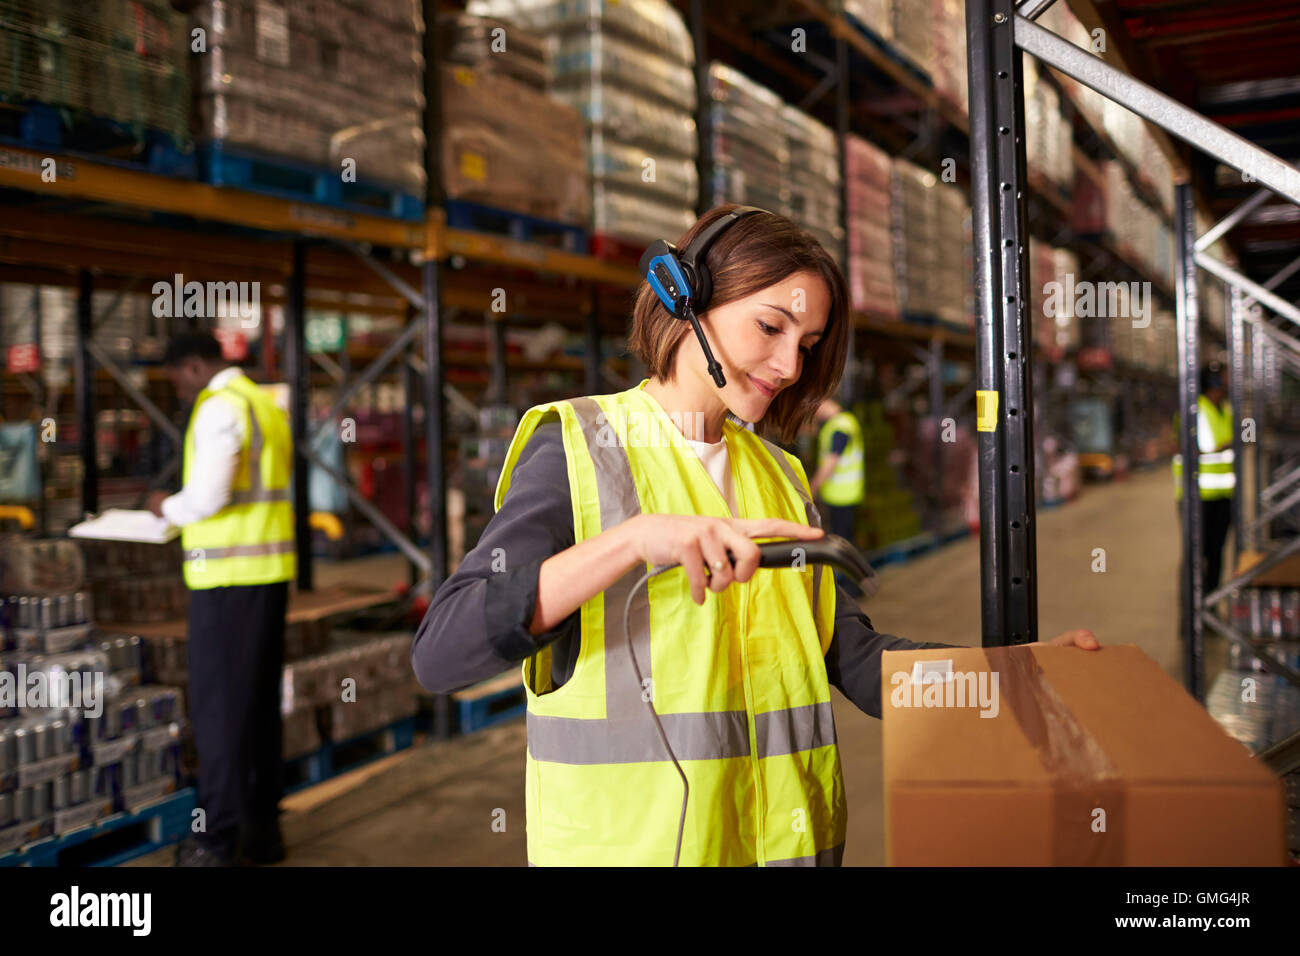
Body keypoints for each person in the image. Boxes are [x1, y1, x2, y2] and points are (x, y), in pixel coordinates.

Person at [411, 205, 1100, 867]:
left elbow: (854, 661)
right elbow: (442, 654)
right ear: (685, 299)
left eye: (806, 344)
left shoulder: (781, 476)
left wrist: (1011, 680)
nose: (790, 366)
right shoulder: (581, 451)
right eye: (769, 327)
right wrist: (631, 540)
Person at [146, 332, 295, 866]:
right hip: (268, 575)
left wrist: (167, 507)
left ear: (191, 366)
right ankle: (263, 831)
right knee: (256, 707)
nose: (178, 392)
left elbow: (210, 495)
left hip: (228, 581)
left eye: (175, 381)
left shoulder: (221, 408)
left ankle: (216, 840)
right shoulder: (265, 403)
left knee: (221, 714)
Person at [1172, 366, 1235, 593]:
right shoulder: (1193, 410)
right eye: (1223, 380)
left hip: (1223, 494)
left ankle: (1212, 605)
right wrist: (1228, 443)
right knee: (1196, 554)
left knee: (1217, 551)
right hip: (1196, 495)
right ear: (1213, 384)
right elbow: (1198, 448)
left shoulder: (1226, 409)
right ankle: (1192, 612)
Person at [810, 397, 865, 593]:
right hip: (841, 494)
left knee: (843, 542)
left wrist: (812, 488)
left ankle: (852, 587)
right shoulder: (838, 423)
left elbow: (832, 461)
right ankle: (853, 583)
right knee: (844, 540)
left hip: (844, 494)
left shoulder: (841, 425)